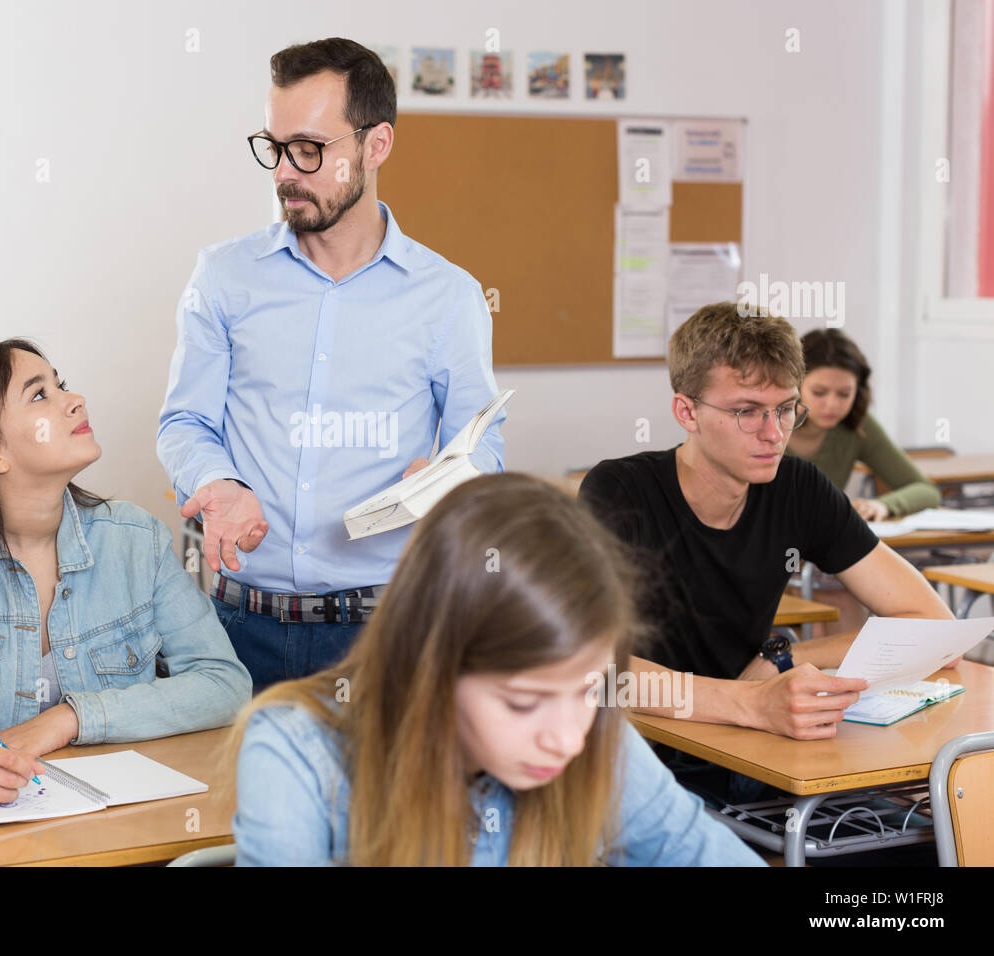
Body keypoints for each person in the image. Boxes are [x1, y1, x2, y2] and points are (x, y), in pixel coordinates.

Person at [157, 37, 504, 690]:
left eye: (311, 150)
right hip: (235, 629)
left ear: (376, 146)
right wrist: (219, 482)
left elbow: (482, 444)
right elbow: (184, 422)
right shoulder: (224, 277)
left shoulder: (448, 296)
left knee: (377, 798)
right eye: (275, 147)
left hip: (382, 635)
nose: (286, 171)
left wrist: (452, 480)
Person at [229, 473, 765, 865]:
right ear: (431, 665)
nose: (566, 740)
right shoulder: (297, 753)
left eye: (587, 690)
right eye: (523, 702)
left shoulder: (599, 735)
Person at [0, 339, 250, 805]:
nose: (75, 401)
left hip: (116, 828)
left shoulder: (136, 539)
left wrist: (68, 719)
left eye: (62, 385)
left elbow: (223, 682)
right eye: (39, 395)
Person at [578, 302, 952, 742]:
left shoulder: (798, 487)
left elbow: (936, 627)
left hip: (753, 752)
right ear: (687, 413)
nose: (774, 434)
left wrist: (784, 657)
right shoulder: (620, 491)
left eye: (787, 408)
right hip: (641, 752)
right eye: (747, 412)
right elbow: (592, 665)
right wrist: (750, 703)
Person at [786, 328, 941, 520]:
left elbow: (927, 491)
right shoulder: (766, 424)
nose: (832, 405)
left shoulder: (858, 425)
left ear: (858, 392)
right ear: (794, 385)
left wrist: (881, 505)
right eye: (819, 392)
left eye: (844, 394)